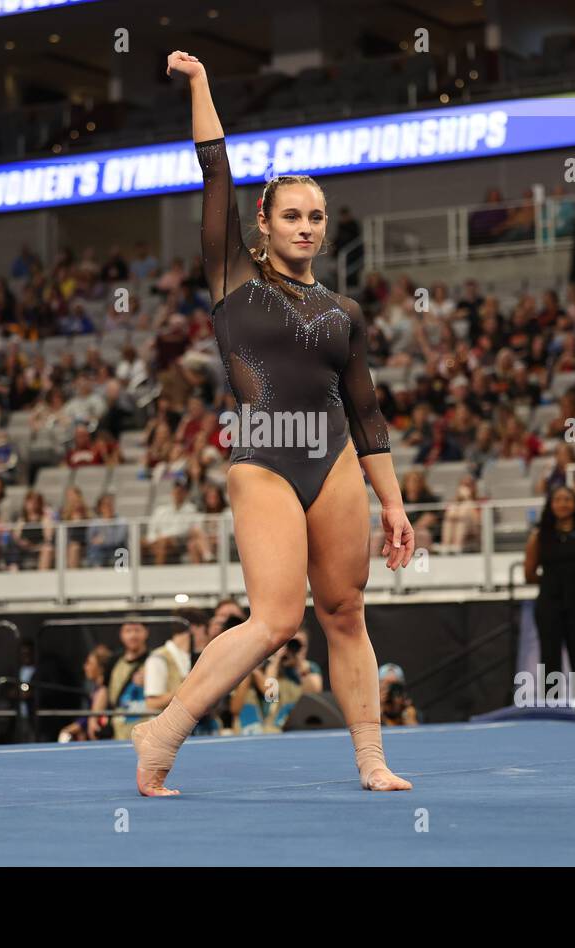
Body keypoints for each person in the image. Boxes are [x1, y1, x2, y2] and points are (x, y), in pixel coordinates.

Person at [128, 50, 416, 797]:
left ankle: (372, 760)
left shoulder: (344, 313)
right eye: (293, 214)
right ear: (264, 220)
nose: (307, 227)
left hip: (336, 460)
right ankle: (162, 734)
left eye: (317, 217)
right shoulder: (233, 278)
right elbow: (214, 169)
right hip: (264, 453)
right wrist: (200, 82)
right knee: (278, 619)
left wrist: (394, 503)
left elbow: (368, 412)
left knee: (345, 610)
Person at [523, 486, 575, 679]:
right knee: (550, 660)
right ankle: (552, 707)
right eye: (557, 500)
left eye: (567, 499)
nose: (562, 504)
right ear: (550, 505)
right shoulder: (539, 536)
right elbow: (529, 574)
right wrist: (552, 582)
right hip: (549, 604)